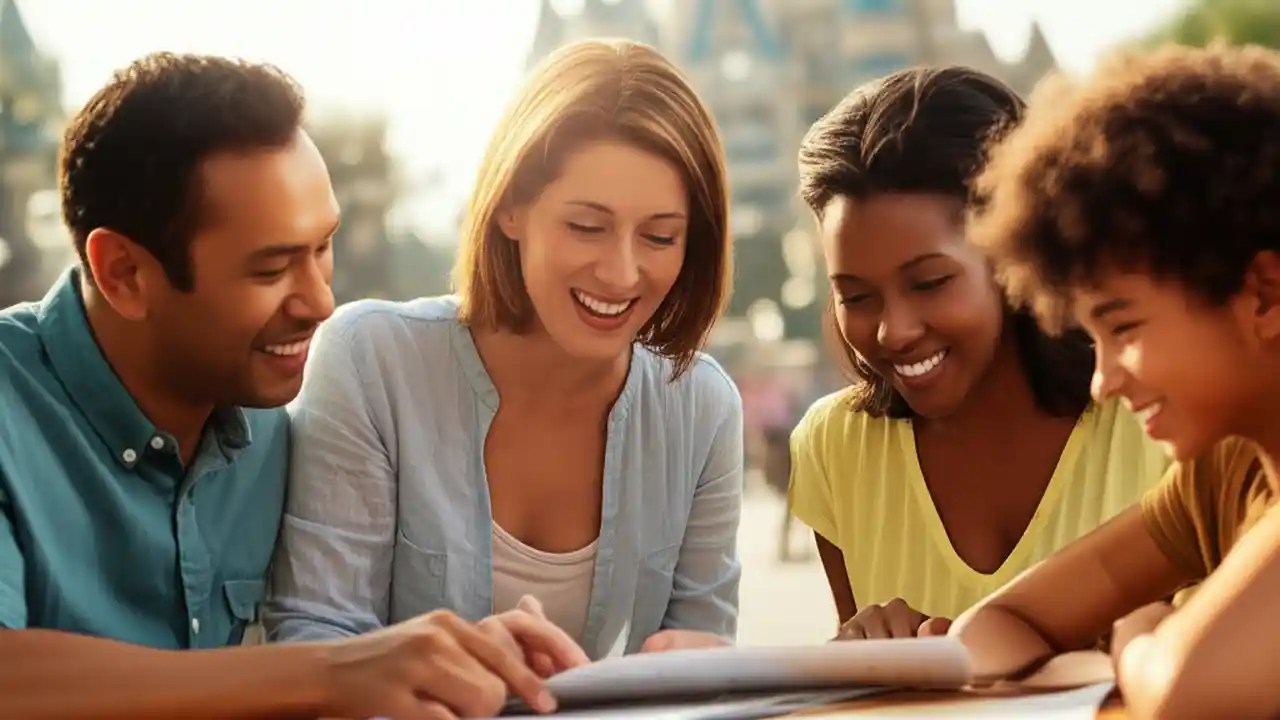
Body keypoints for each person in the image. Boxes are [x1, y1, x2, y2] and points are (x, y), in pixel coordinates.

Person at [0, 52, 582, 720]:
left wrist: (457, 662)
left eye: (322, 247)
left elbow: (351, 638)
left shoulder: (288, 426)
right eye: (271, 269)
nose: (320, 301)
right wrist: (332, 674)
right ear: (125, 272)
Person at [264, 38, 743, 660]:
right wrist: (446, 667)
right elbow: (314, 632)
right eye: (586, 227)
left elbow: (708, 646)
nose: (623, 273)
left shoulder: (702, 408)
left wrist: (699, 668)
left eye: (659, 236)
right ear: (511, 207)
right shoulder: (370, 361)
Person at [947, 44, 1280, 719]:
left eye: (1123, 329)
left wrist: (1137, 635)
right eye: (1091, 339)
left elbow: (1187, 691)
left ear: (1265, 294)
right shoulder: (1224, 473)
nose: (1102, 381)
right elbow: (992, 628)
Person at [787, 66, 1169, 641]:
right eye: (857, 296)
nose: (894, 331)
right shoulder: (834, 448)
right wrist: (865, 660)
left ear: (1013, 254)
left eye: (930, 283)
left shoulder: (1161, 419)